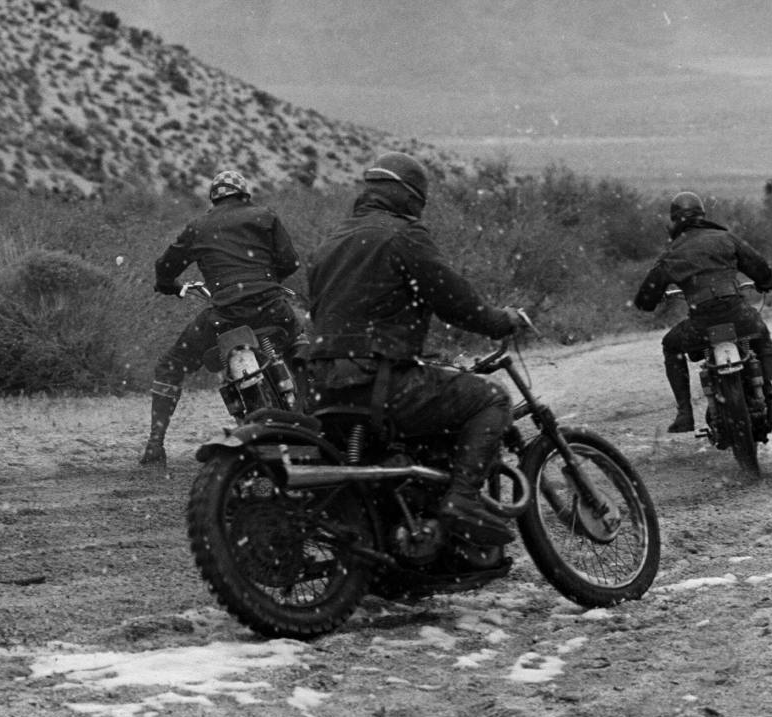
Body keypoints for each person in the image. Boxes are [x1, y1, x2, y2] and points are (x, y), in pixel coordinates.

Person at [303, 151, 527, 573]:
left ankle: (402, 553)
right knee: (491, 399)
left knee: (397, 443)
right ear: (408, 197)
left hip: (322, 384)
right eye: (419, 201)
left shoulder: (329, 244)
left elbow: (334, 312)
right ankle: (461, 499)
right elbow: (455, 301)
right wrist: (501, 320)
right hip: (377, 379)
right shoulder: (402, 236)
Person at [139, 170, 303, 467]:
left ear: (213, 200)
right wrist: (264, 280)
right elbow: (290, 261)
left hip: (224, 315)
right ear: (244, 195)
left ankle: (155, 445)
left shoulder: (198, 227)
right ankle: (318, 419)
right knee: (302, 346)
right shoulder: (265, 216)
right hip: (272, 307)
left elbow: (164, 268)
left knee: (171, 364)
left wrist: (168, 285)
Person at [632, 192, 772, 433]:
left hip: (701, 324)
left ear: (674, 222)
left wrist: (651, 301)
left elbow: (645, 298)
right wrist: (765, 282)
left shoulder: (672, 253)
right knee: (761, 337)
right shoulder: (725, 238)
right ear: (703, 215)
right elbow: (760, 267)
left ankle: (685, 415)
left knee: (671, 346)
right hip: (738, 315)